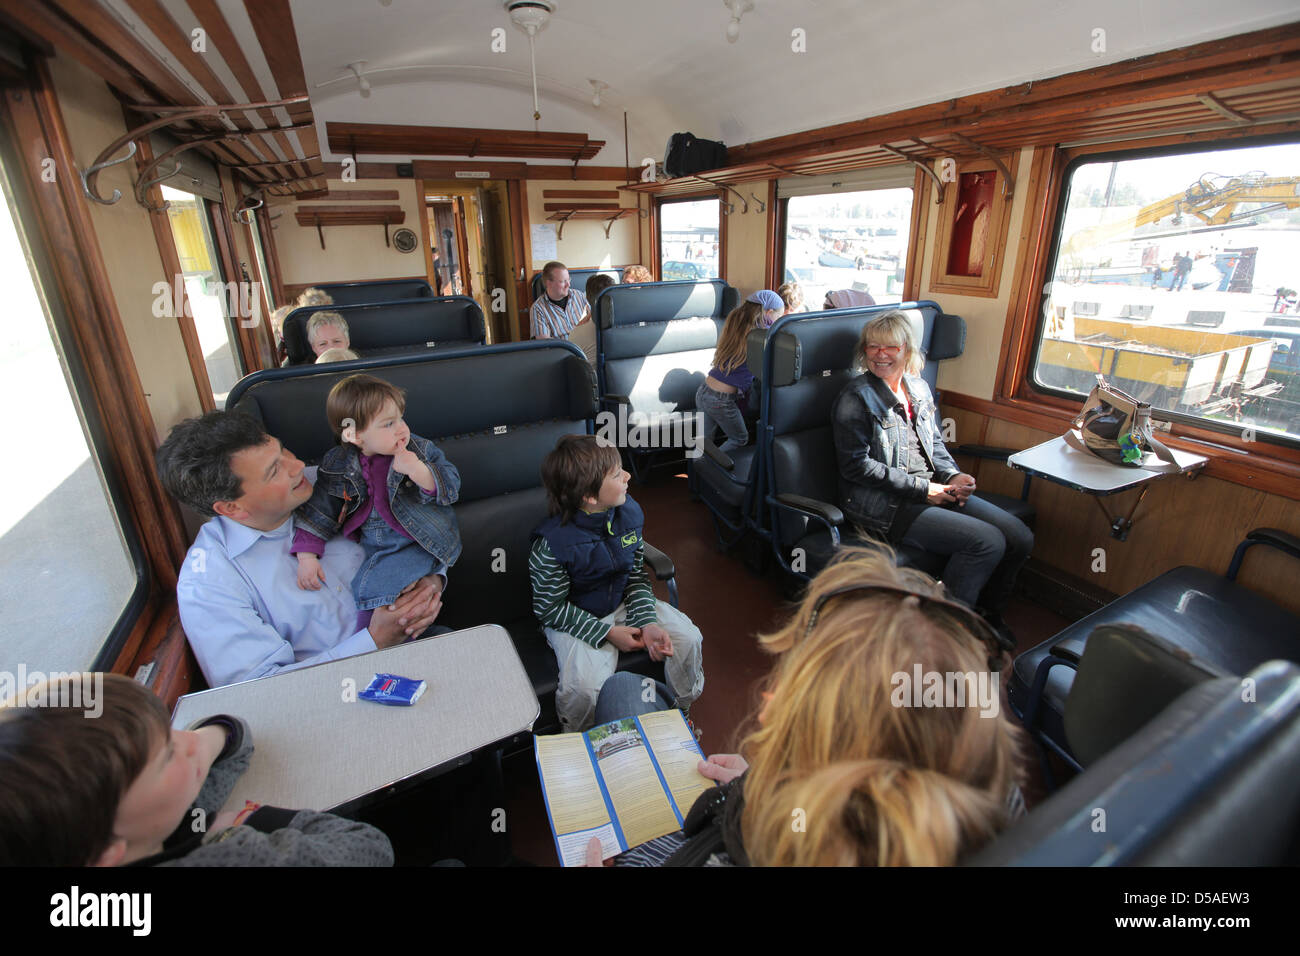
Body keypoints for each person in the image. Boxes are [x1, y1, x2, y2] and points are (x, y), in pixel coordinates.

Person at [594, 545, 1025, 867]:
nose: (765, 707)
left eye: (794, 691)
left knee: (621, 689)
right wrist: (771, 784)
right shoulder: (999, 805)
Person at [157, 411, 445, 688]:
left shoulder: (337, 481)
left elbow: (425, 529)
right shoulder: (210, 582)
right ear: (233, 508)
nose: (295, 465)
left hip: (425, 641)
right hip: (336, 697)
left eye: (283, 451)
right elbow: (257, 691)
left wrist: (431, 580)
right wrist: (375, 641)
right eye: (274, 471)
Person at [0, 673, 393, 866]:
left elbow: (233, 740)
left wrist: (187, 753)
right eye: (167, 756)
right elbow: (372, 849)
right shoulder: (234, 857)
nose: (191, 740)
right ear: (107, 855)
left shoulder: (145, 829)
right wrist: (254, 819)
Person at [832, 311, 1033, 628]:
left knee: (1019, 537)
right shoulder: (856, 398)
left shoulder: (919, 388)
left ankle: (985, 614)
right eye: (872, 347)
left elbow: (935, 443)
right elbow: (856, 467)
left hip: (931, 489)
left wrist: (952, 475)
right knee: (986, 542)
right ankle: (945, 629)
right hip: (884, 504)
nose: (880, 354)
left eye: (890, 348)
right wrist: (925, 491)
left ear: (907, 350)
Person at [529, 434, 705, 732]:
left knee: (688, 639)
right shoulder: (552, 545)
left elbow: (635, 576)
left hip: (620, 601)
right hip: (577, 616)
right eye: (616, 474)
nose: (627, 476)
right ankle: (583, 740)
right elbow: (550, 609)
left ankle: (679, 708)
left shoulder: (628, 515)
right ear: (590, 497)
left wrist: (647, 622)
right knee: (583, 689)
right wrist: (607, 632)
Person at [292, 374, 461, 630]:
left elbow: (451, 486)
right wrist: (307, 555)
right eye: (388, 424)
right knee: (370, 584)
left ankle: (370, 640)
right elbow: (321, 509)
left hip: (419, 540)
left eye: (400, 418)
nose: (402, 428)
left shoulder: (419, 450)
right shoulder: (338, 465)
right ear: (355, 436)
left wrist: (418, 471)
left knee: (372, 586)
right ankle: (382, 640)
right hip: (377, 545)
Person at [695, 290, 784, 453]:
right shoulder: (759, 334)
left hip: (704, 391)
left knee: (702, 445)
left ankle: (697, 474)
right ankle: (712, 469)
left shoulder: (737, 321)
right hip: (720, 401)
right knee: (739, 439)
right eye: (778, 317)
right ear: (769, 312)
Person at [530, 261, 594, 361]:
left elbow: (593, 321)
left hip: (586, 351)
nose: (568, 284)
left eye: (569, 280)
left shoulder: (579, 296)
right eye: (563, 281)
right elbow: (544, 343)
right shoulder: (538, 308)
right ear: (548, 283)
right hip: (562, 357)